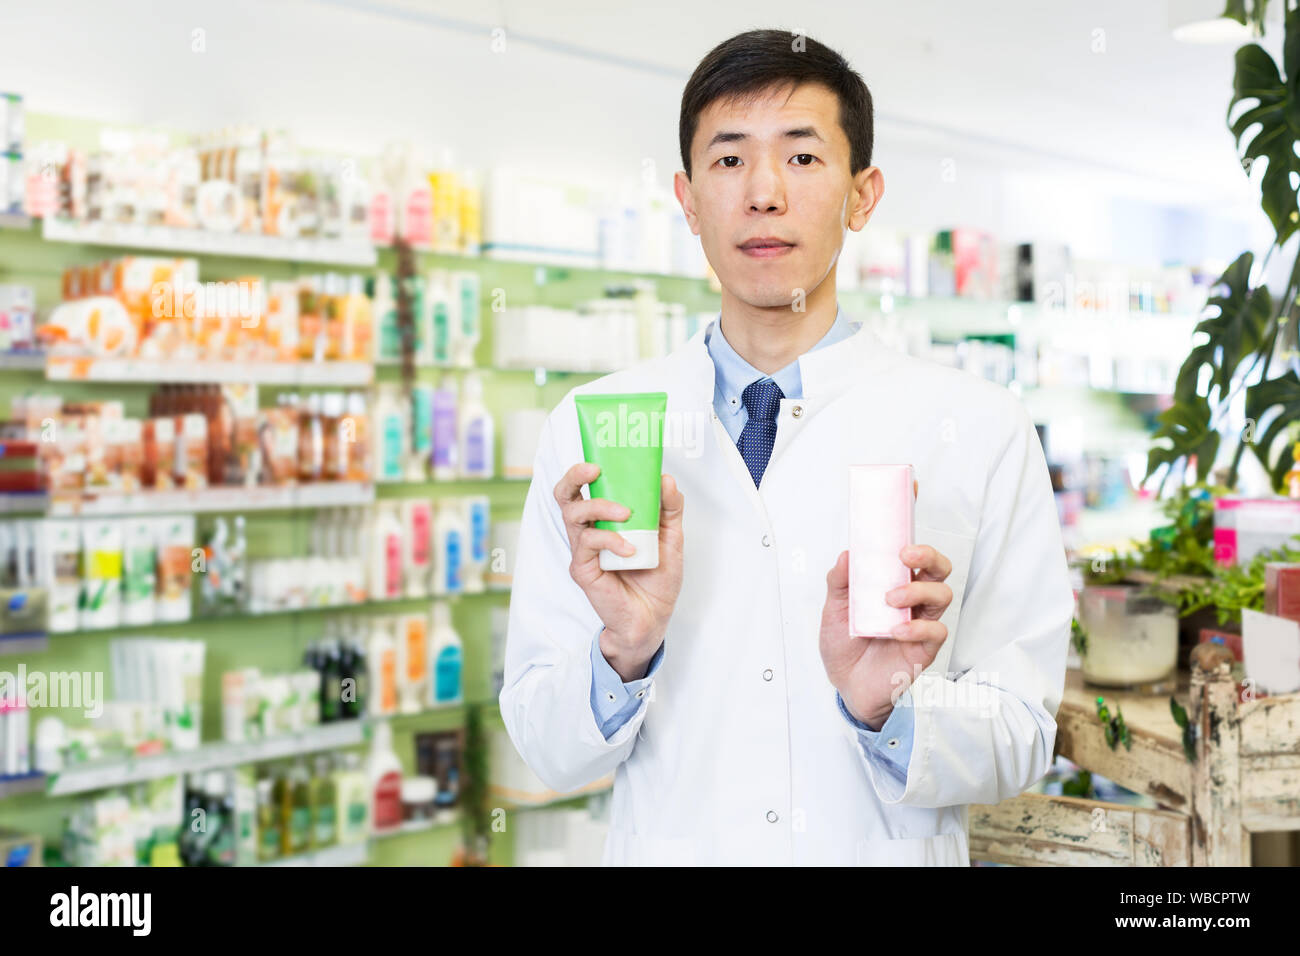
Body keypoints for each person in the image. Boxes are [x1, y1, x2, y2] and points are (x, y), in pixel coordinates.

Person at [500, 28, 1073, 866]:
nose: (763, 193)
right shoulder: (593, 427)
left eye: (802, 158)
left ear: (863, 194)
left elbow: (1024, 729)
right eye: (729, 160)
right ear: (688, 199)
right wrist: (623, 653)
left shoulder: (981, 427)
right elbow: (547, 747)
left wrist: (890, 709)